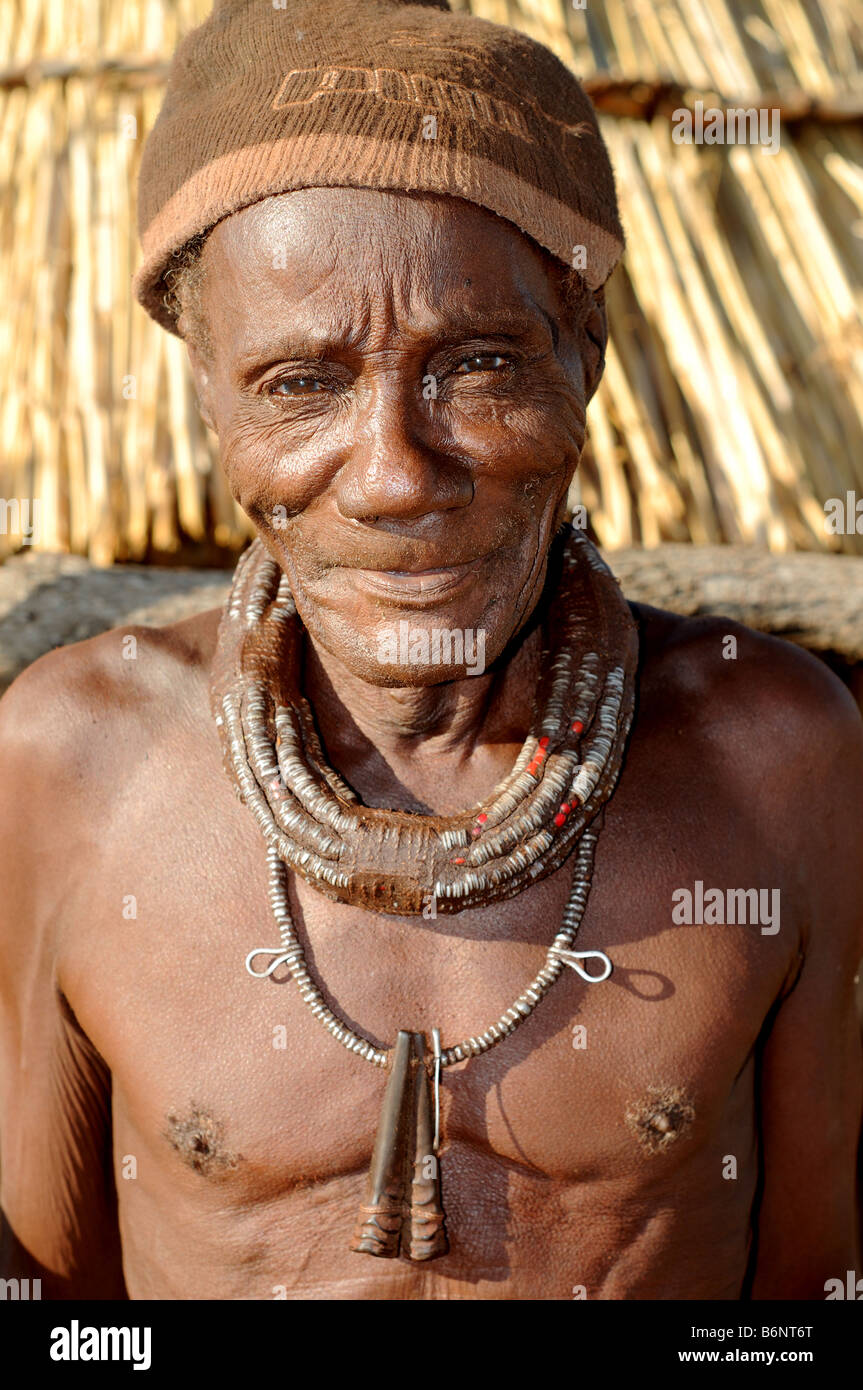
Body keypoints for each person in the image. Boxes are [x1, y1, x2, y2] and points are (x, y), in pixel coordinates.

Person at [1, 0, 861, 1300]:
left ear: (588, 355)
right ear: (208, 399)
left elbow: (809, 1299)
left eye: (477, 364)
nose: (398, 477)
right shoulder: (71, 766)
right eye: (300, 381)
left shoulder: (774, 763)